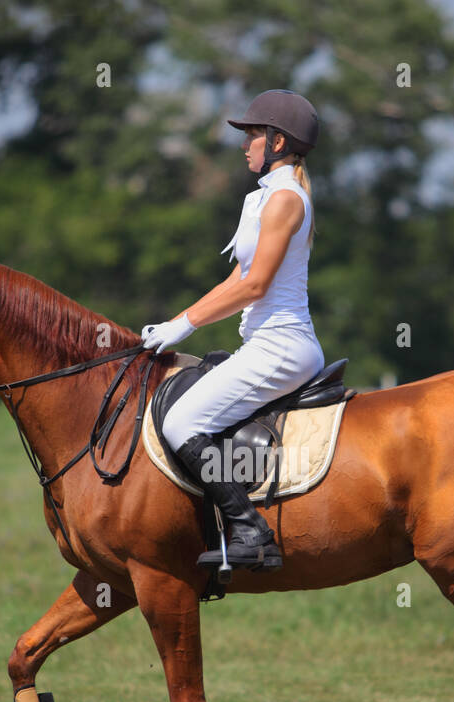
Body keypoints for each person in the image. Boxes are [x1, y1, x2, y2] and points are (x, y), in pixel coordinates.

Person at [142, 89, 325, 573]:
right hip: (264, 343)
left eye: (253, 136)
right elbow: (235, 279)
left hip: (282, 347)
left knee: (182, 424)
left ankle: (250, 532)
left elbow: (256, 285)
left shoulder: (285, 199)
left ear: (278, 142)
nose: (246, 145)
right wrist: (174, 322)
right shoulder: (264, 198)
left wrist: (182, 326)